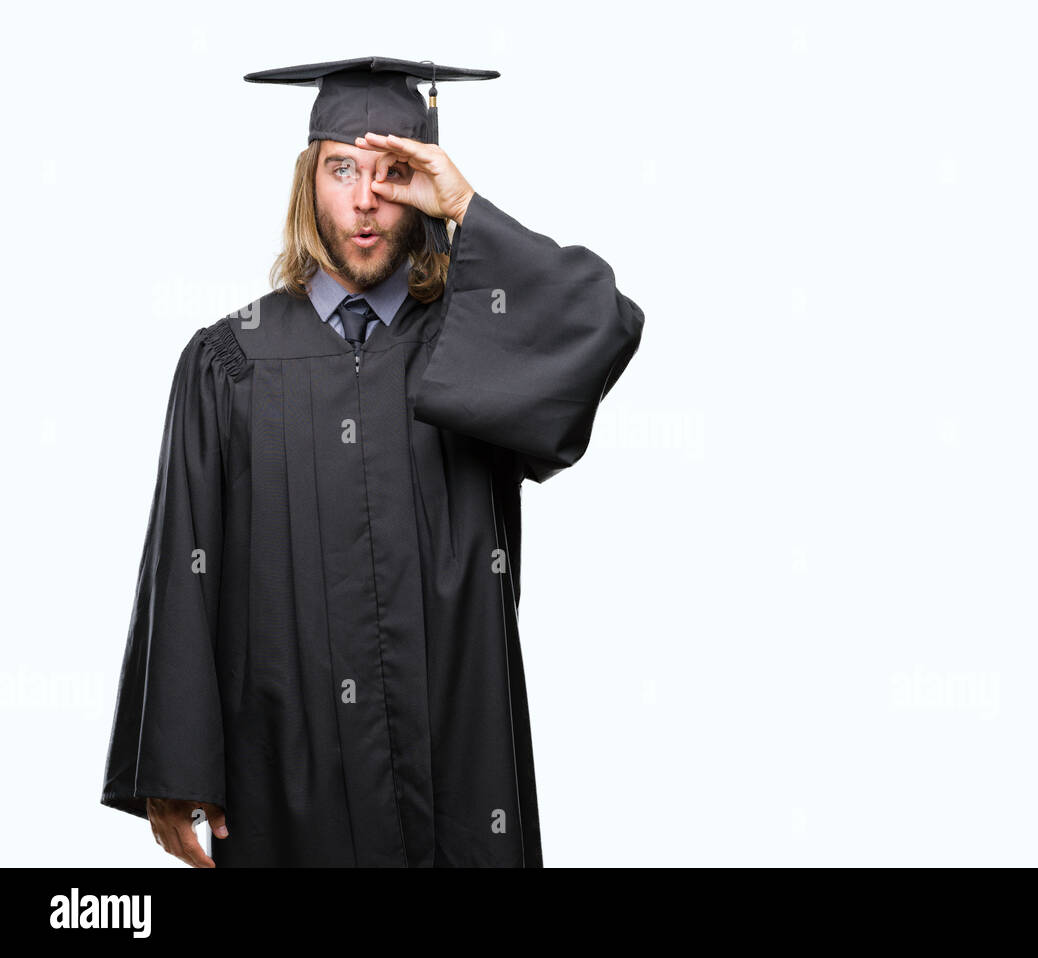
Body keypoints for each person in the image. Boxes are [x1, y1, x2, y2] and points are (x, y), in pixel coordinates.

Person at [100, 56, 644, 867]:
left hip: (457, 777)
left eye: (394, 173)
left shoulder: (475, 341)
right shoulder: (230, 362)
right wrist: (174, 768)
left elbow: (603, 324)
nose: (364, 201)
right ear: (306, 181)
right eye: (341, 169)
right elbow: (184, 569)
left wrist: (465, 207)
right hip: (287, 771)